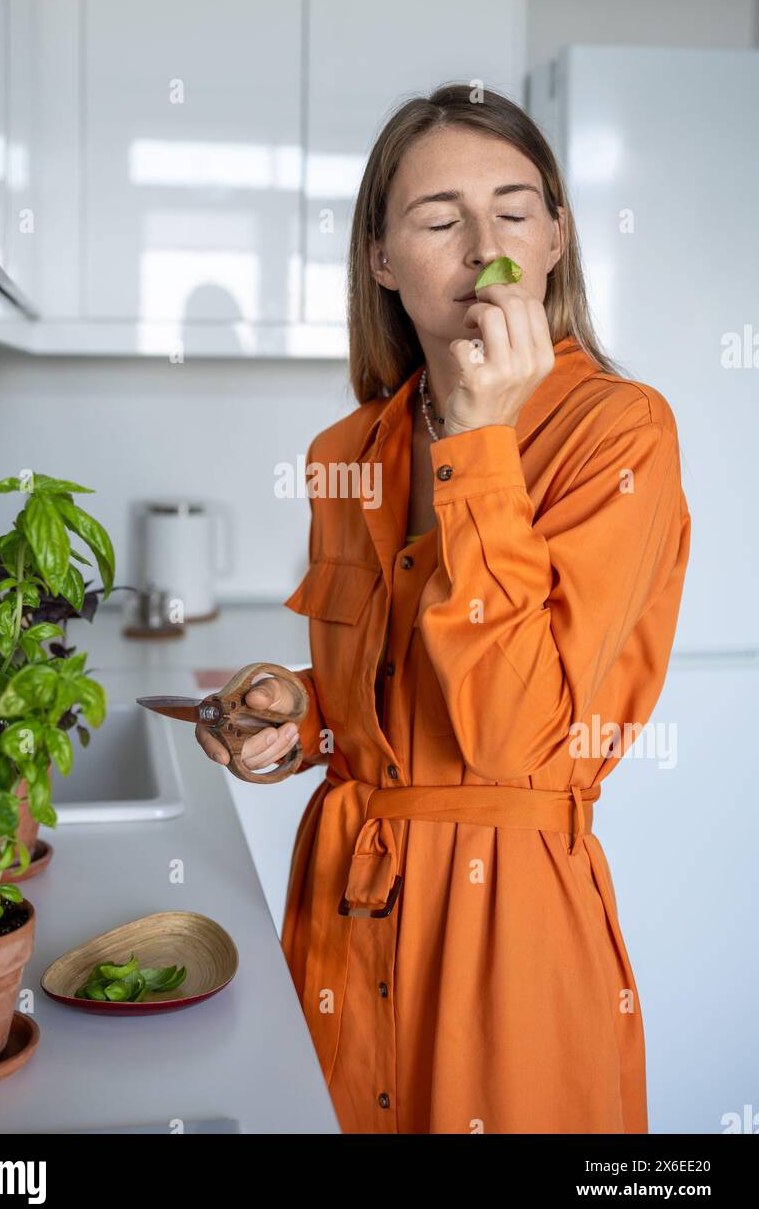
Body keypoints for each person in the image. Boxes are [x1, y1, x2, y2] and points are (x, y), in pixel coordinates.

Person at [195, 82, 691, 1135]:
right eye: (437, 219)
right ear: (379, 259)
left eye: (514, 211)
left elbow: (511, 730)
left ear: (555, 237)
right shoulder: (346, 452)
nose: (484, 247)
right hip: (342, 909)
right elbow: (378, 705)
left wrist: (478, 442)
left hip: (506, 926)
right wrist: (295, 718)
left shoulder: (621, 433)